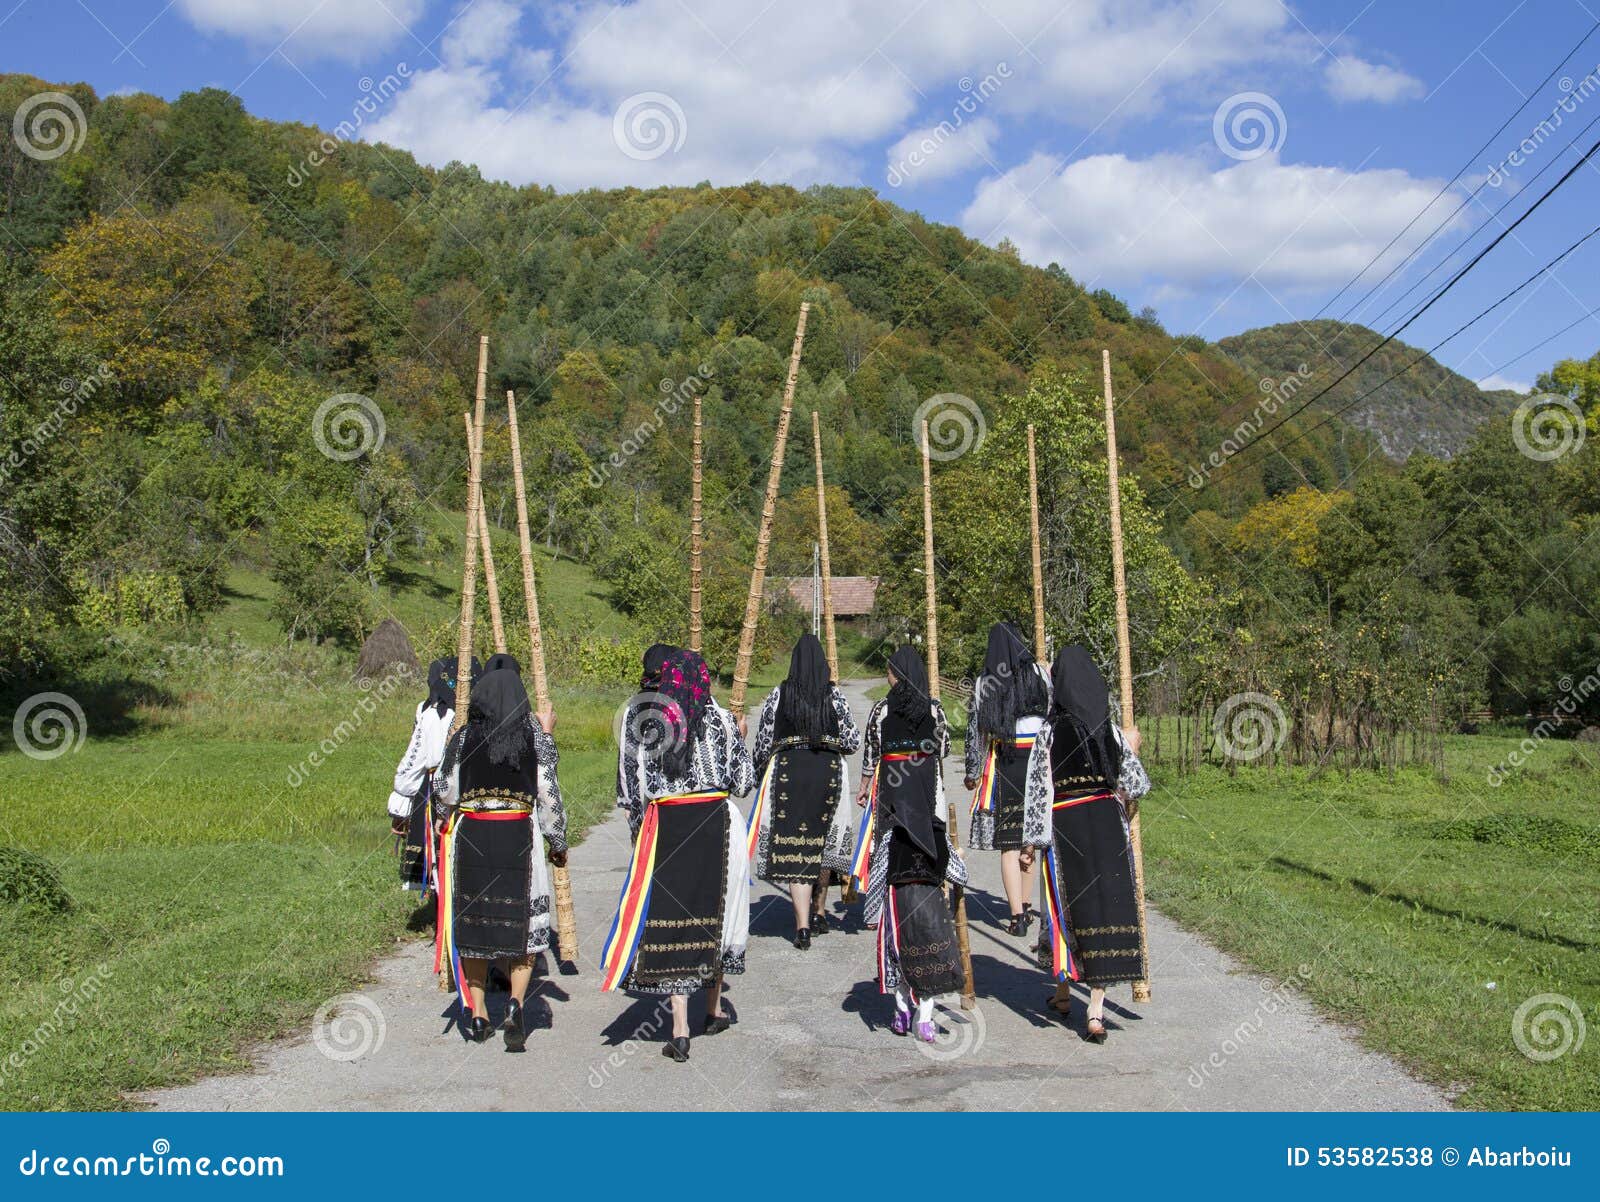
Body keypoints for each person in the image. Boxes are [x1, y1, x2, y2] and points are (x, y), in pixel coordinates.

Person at [603, 648, 755, 1063]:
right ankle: (715, 1008)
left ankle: (680, 1027)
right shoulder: (723, 721)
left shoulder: (651, 724)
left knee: (676, 917)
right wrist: (740, 739)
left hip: (670, 826)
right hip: (718, 822)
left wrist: (639, 837)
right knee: (717, 912)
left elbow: (634, 792)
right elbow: (744, 783)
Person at [434, 660, 566, 1052]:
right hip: (518, 835)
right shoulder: (535, 738)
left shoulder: (462, 739)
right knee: (521, 923)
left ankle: (477, 1013)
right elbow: (549, 794)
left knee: (476, 924)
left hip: (473, 834)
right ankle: (515, 1003)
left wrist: (444, 820)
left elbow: (444, 789)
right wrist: (557, 841)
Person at [1036, 645, 1151, 1043]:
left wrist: (1031, 843)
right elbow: (1137, 785)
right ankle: (1096, 1010)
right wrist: (1131, 750)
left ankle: (1064, 992)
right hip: (1105, 823)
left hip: (1066, 825)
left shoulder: (1049, 733)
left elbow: (1039, 792)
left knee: (1069, 907)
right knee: (1105, 909)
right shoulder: (1110, 731)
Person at [856, 646, 967, 1042]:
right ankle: (927, 1009)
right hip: (928, 811)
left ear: (895, 675)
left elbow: (872, 756)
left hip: (891, 813)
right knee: (929, 902)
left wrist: (866, 784)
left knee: (895, 902)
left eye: (888, 673)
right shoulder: (934, 711)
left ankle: (901, 1007)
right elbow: (943, 753)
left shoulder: (880, 713)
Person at [749, 633, 861, 947]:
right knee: (823, 842)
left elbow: (762, 743)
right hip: (827, 771)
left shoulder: (778, 693)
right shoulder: (834, 695)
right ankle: (821, 911)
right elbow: (851, 741)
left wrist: (759, 778)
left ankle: (801, 927)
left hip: (789, 773)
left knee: (799, 845)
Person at [964, 621, 1052, 935]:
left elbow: (976, 730)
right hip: (1039, 760)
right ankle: (1026, 905)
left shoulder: (984, 682)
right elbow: (1053, 713)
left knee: (1010, 843)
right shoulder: (1039, 674)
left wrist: (973, 772)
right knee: (1032, 838)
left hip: (1006, 761)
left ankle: (1016, 915)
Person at [388, 657, 479, 896]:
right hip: (471, 788)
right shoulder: (476, 710)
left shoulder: (431, 714)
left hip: (436, 789)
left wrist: (400, 803)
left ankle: (443, 905)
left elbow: (414, 758)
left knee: (441, 845)